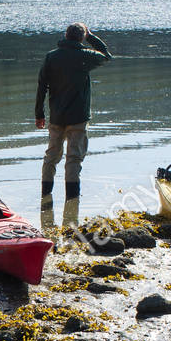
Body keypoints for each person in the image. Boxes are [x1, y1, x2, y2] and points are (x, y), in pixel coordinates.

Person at [35, 22, 112, 228]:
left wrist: (39, 113)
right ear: (81, 38)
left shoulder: (52, 56)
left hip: (56, 117)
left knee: (51, 156)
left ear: (65, 36)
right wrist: (92, 37)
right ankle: (71, 207)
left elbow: (42, 85)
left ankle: (45, 197)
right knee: (74, 159)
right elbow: (106, 55)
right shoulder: (86, 55)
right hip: (78, 118)